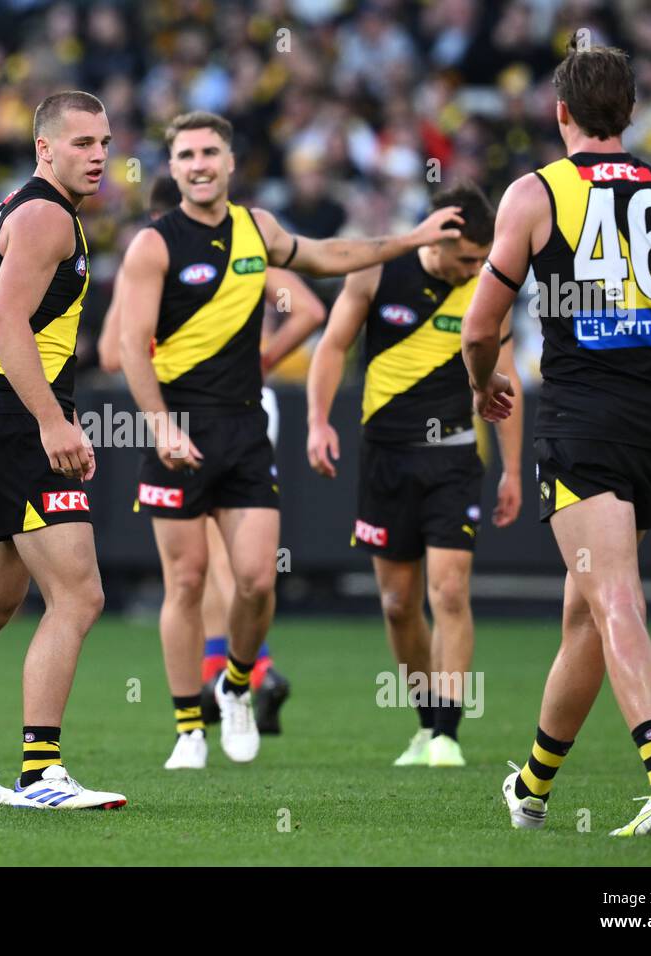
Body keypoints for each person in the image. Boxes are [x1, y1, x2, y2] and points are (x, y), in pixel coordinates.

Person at [462, 44, 651, 835]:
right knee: (587, 612)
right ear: (629, 113)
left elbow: (479, 326)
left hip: (582, 415)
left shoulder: (535, 193)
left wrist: (482, 379)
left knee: (615, 598)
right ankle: (530, 786)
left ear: (560, 112)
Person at [119, 110, 463, 770]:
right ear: (172, 167)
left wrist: (409, 238)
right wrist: (159, 424)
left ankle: (238, 686)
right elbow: (132, 345)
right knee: (186, 582)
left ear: (230, 162)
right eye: (186, 154)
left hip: (245, 429)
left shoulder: (259, 229)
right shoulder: (153, 245)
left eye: (210, 152)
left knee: (254, 581)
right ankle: (189, 727)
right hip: (177, 430)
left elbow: (331, 257)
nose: (199, 164)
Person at [0, 91, 125, 810]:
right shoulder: (47, 215)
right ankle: (40, 771)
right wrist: (54, 422)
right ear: (44, 147)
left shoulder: (24, 207)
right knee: (79, 594)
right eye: (82, 143)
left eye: (104, 141)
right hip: (22, 423)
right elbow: (10, 326)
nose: (99, 155)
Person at [98, 175, 321, 744]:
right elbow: (309, 308)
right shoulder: (244, 246)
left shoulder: (155, 254)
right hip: (249, 402)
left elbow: (108, 353)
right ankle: (246, 673)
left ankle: (238, 675)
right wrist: (263, 359)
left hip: (192, 412)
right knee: (235, 566)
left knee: (206, 567)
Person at [307, 182, 522, 769]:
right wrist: (318, 421)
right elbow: (331, 348)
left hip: (454, 458)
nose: (476, 269)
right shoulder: (377, 272)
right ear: (437, 238)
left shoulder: (487, 287)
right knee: (398, 603)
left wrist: (511, 469)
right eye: (466, 259)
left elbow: (507, 380)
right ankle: (426, 726)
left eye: (483, 259)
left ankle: (449, 733)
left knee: (449, 591)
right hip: (384, 458)